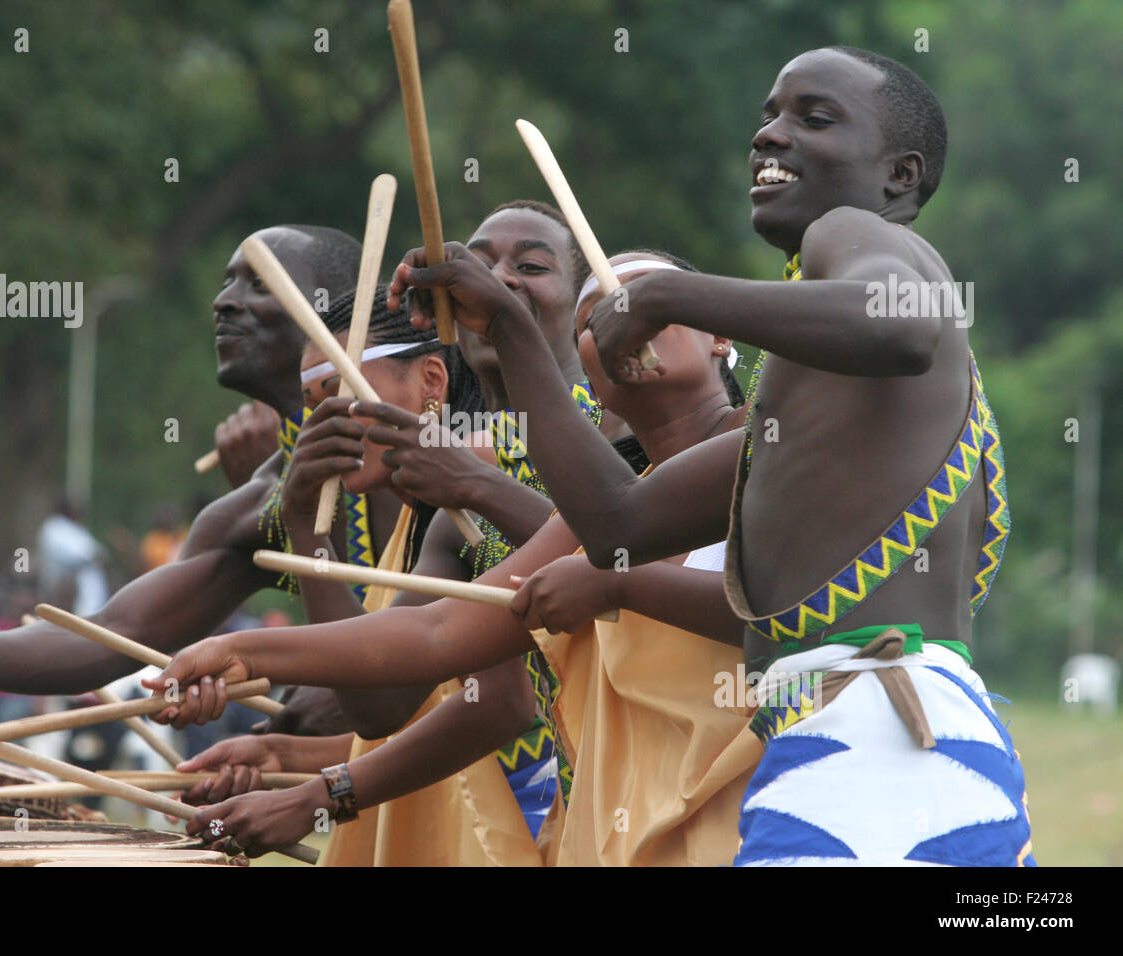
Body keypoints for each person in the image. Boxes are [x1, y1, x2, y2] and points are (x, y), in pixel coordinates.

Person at [418, 47, 1032, 866]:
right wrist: (512, 331)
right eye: (769, 115)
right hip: (890, 737)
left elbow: (904, 323)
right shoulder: (812, 399)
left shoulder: (854, 235)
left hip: (875, 742)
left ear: (899, 175)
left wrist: (670, 292)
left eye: (813, 118)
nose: (770, 135)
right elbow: (617, 524)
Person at [145, 251, 756, 863]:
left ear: (720, 335)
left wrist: (617, 583)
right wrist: (241, 652)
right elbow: (436, 636)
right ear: (588, 370)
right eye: (597, 318)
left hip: (760, 830)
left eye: (651, 299)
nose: (626, 321)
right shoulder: (585, 522)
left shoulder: (773, 448)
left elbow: (793, 610)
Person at [0, 225, 374, 739]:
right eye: (227, 283)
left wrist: (300, 719)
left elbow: (430, 646)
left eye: (259, 285)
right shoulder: (258, 507)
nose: (224, 302)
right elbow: (117, 635)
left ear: (342, 312)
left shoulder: (406, 452)